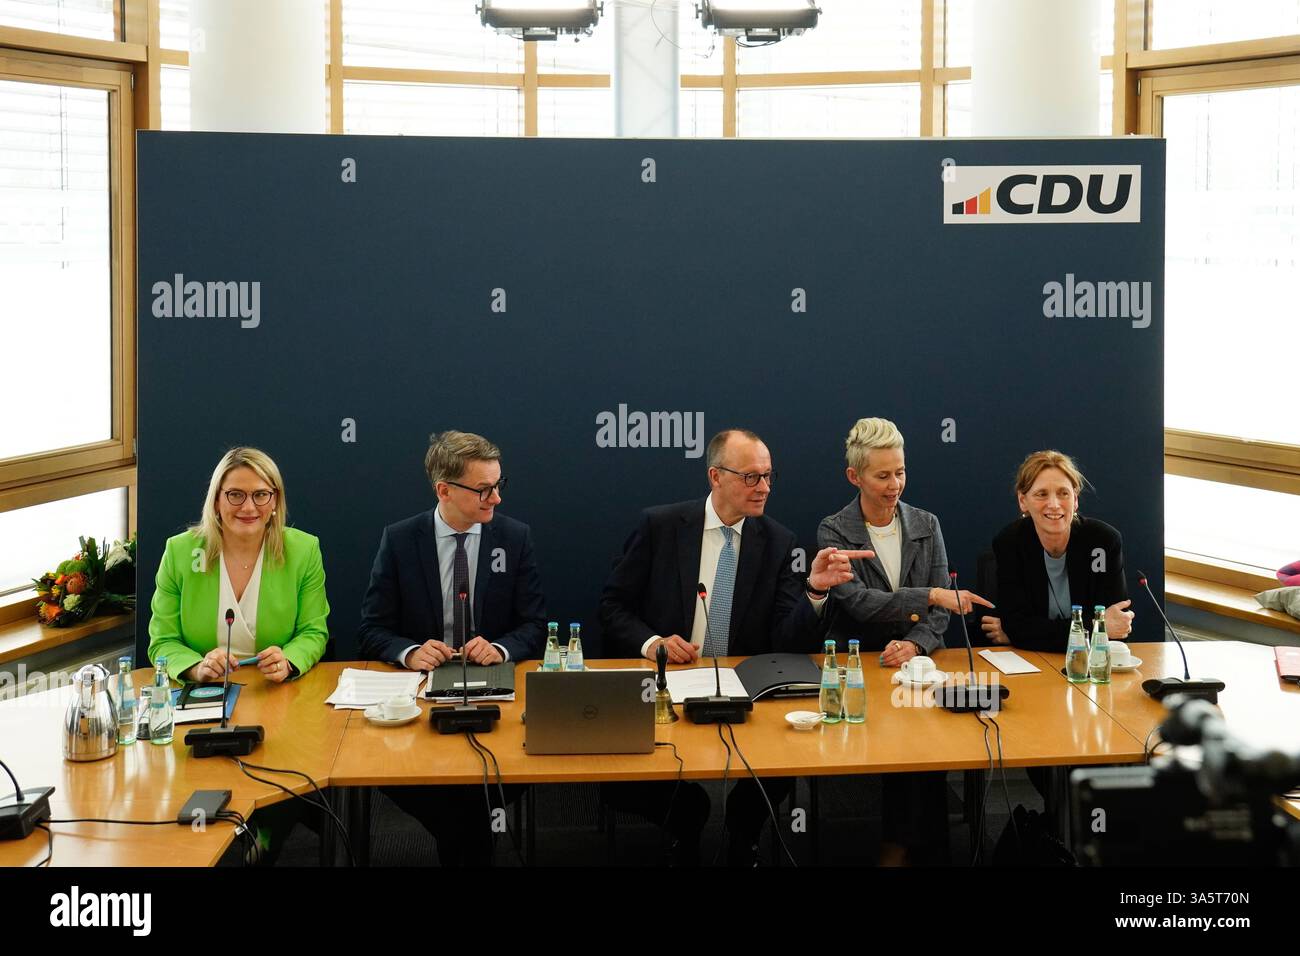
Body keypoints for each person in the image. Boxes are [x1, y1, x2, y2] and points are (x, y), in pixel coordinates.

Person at [599, 428, 868, 866]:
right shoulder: (661, 526)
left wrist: (815, 591)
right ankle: (685, 822)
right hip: (666, 684)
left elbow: (787, 640)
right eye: (750, 477)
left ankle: (744, 829)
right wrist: (652, 644)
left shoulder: (778, 541)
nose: (764, 488)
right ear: (715, 477)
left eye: (768, 476)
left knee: (789, 752)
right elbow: (612, 606)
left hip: (745, 690)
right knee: (627, 774)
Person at [358, 430, 545, 865]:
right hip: (422, 705)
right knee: (466, 810)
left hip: (496, 699)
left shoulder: (513, 539)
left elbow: (535, 625)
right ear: (444, 490)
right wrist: (408, 652)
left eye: (499, 486)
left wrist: (499, 647)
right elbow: (371, 629)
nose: (496, 499)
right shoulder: (402, 540)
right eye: (484, 489)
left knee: (474, 802)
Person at [817, 417, 990, 865]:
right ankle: (901, 848)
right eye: (882, 475)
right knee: (900, 748)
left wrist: (914, 644)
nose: (894, 485)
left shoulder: (926, 524)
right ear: (855, 476)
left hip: (917, 665)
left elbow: (939, 617)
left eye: (901, 472)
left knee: (929, 745)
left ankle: (920, 849)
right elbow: (859, 603)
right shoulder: (833, 530)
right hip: (861, 668)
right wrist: (930, 596)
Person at [147, 446, 331, 861]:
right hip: (205, 706)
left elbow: (314, 631)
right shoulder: (181, 552)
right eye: (235, 495)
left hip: (278, 702)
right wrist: (195, 666)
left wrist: (289, 659)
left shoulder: (302, 551)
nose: (248, 506)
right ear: (216, 500)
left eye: (261, 495)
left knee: (271, 801)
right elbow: (161, 641)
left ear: (275, 502)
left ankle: (258, 847)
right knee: (193, 804)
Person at [982, 450, 1133, 651]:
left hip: (1093, 665)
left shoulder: (1103, 542)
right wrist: (1096, 627)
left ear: (1075, 499)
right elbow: (1018, 627)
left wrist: (1027, 635)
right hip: (1032, 665)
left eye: (1063, 493)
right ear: (1023, 501)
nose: (1054, 505)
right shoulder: (1010, 542)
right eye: (1041, 494)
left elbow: (1117, 628)